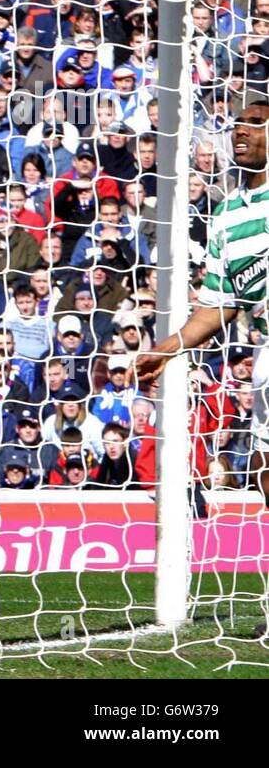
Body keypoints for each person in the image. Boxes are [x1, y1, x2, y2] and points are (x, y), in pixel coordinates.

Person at [134, 100, 269, 636]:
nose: (241, 134)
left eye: (255, 125)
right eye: (236, 128)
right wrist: (168, 345)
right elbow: (221, 303)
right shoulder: (231, 214)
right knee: (262, 467)